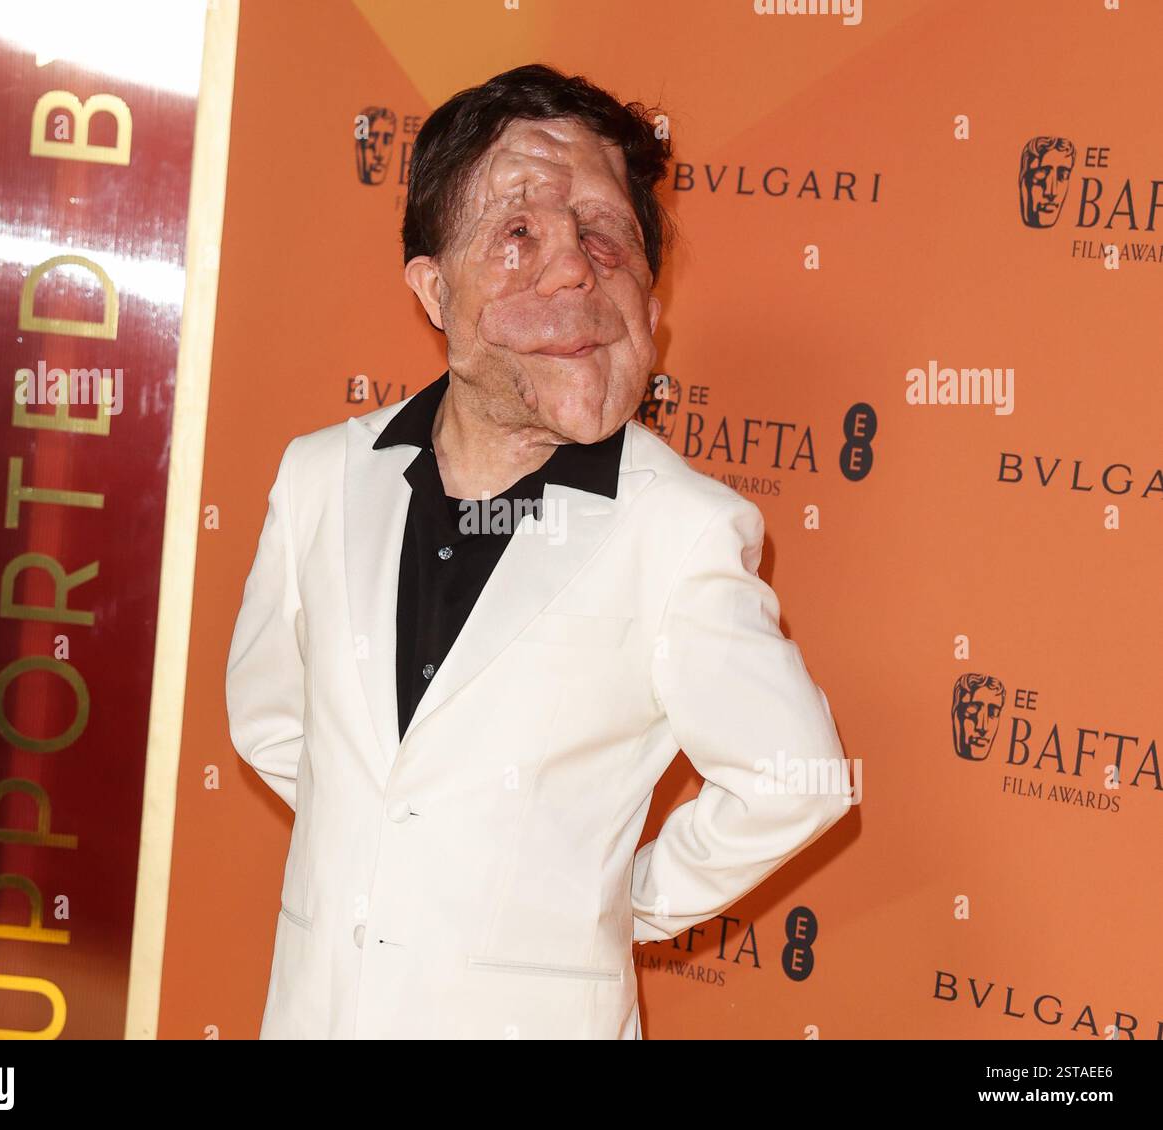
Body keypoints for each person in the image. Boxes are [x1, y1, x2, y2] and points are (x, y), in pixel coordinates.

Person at [225, 63, 850, 1040]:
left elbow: (794, 776)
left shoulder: (677, 529)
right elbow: (269, 712)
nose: (572, 270)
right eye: (519, 234)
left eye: (605, 235)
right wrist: (390, 847)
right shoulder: (321, 476)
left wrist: (613, 899)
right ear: (433, 290)